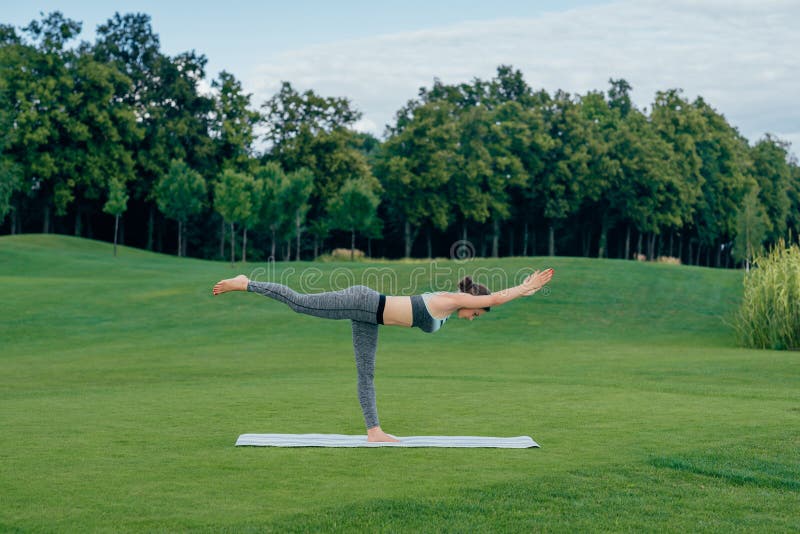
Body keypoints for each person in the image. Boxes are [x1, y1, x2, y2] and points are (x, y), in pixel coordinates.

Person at [212, 268, 554, 442]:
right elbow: (491, 299)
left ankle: (373, 430)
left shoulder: (448, 309)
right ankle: (246, 283)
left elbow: (485, 302)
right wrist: (525, 289)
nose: (473, 317)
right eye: (475, 313)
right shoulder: (451, 300)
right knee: (300, 303)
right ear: (471, 303)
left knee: (366, 373)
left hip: (369, 318)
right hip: (364, 302)